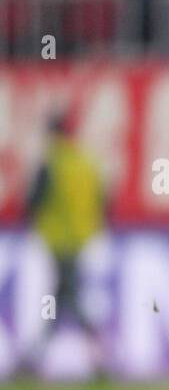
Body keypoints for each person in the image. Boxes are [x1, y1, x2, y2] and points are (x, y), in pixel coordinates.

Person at [22, 111, 108, 376]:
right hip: (82, 240)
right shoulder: (86, 162)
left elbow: (33, 202)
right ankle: (94, 358)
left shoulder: (52, 164)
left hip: (58, 242)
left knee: (65, 299)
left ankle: (96, 357)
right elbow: (104, 200)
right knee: (62, 298)